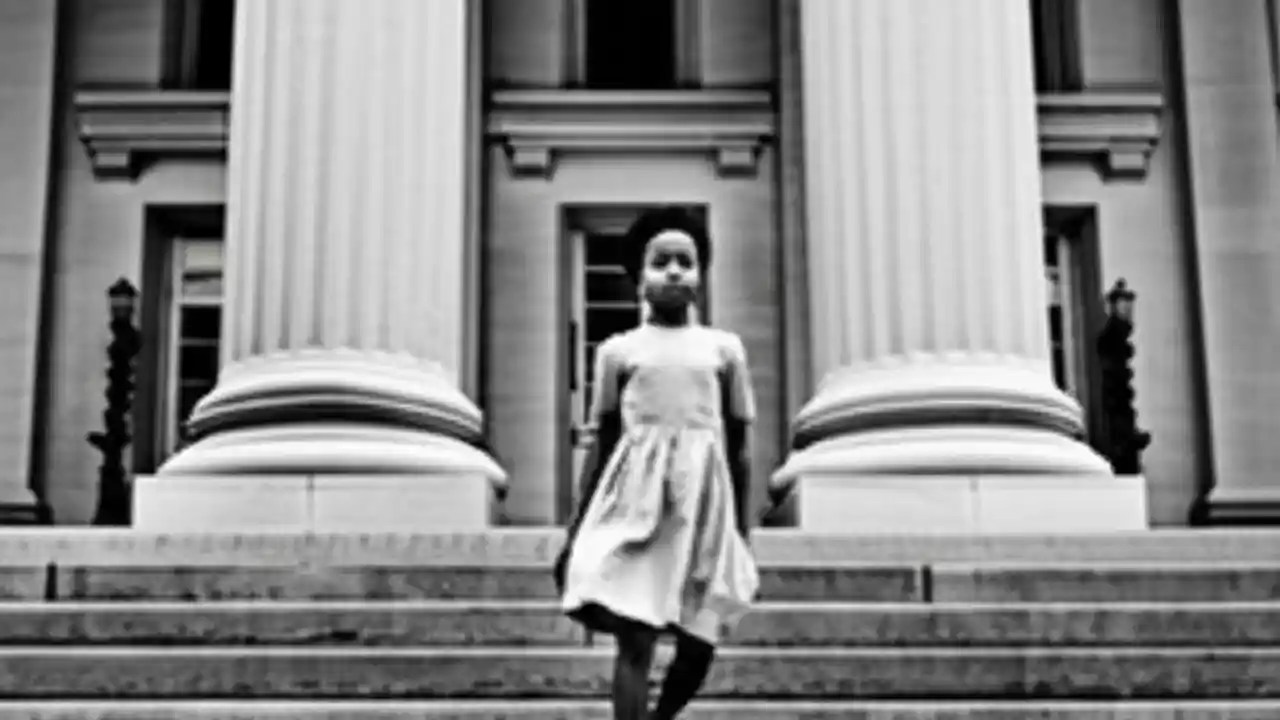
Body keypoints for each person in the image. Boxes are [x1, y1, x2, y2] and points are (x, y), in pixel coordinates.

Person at [554, 206, 760, 719]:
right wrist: (576, 528)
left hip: (703, 505)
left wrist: (741, 528)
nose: (673, 271)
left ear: (700, 275)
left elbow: (738, 443)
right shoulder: (617, 352)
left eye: (685, 262)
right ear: (638, 278)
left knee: (701, 639)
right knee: (636, 638)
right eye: (660, 261)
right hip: (635, 502)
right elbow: (601, 441)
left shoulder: (724, 350)